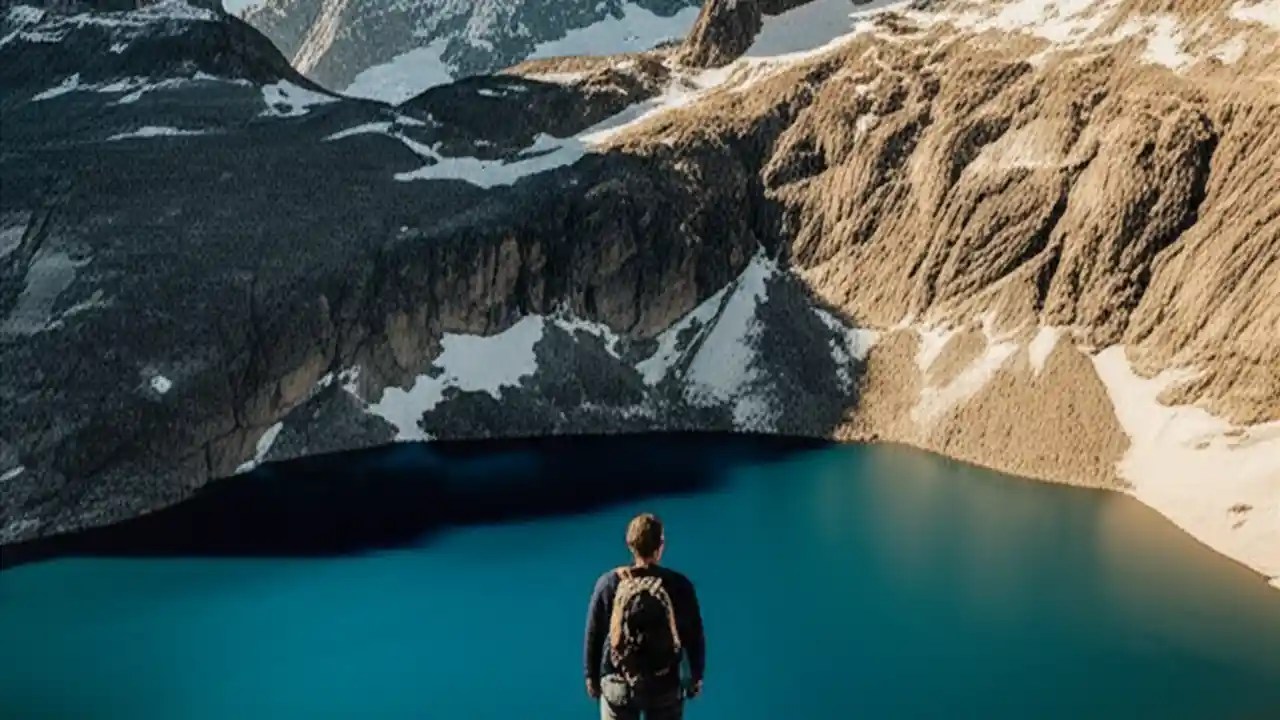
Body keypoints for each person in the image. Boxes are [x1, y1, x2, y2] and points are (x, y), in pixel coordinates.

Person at [584, 513, 705, 720]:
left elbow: (594, 633)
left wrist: (591, 678)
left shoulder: (609, 584)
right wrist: (696, 677)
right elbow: (694, 635)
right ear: (661, 545)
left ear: (630, 545)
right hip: (664, 686)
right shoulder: (679, 585)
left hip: (618, 684)